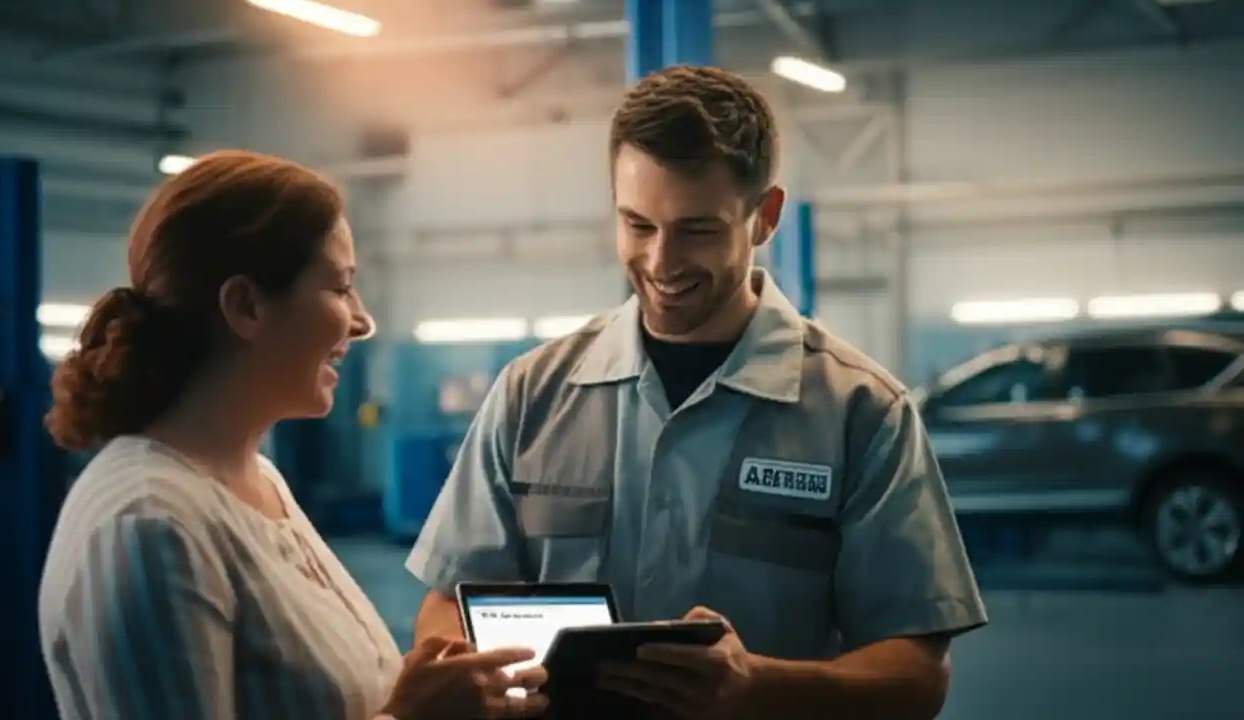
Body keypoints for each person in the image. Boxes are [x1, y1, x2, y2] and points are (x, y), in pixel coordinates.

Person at [406, 65, 989, 719]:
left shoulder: (863, 413)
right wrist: (468, 678)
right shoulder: (530, 396)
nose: (661, 262)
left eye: (698, 230)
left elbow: (916, 674)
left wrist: (759, 687)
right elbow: (448, 601)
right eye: (638, 225)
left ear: (765, 217)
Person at [37, 150, 548, 720]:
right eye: (341, 288)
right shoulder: (148, 524)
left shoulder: (258, 482)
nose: (363, 321)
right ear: (246, 306)